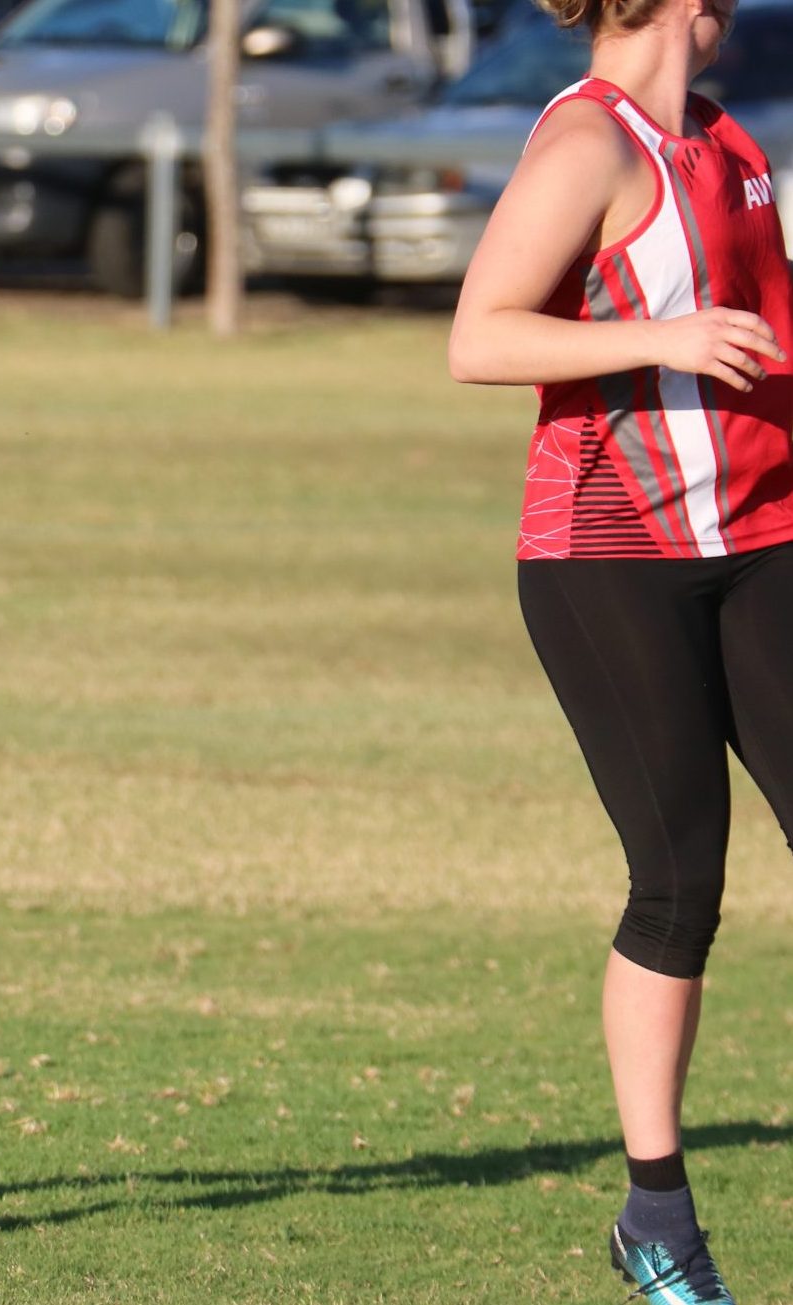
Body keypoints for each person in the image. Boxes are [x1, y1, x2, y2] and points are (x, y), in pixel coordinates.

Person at [449, 0, 790, 1298]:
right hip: (613, 558)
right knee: (678, 880)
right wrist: (659, 338)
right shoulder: (587, 146)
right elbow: (479, 336)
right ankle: (657, 1216)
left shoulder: (725, 137)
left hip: (765, 534)